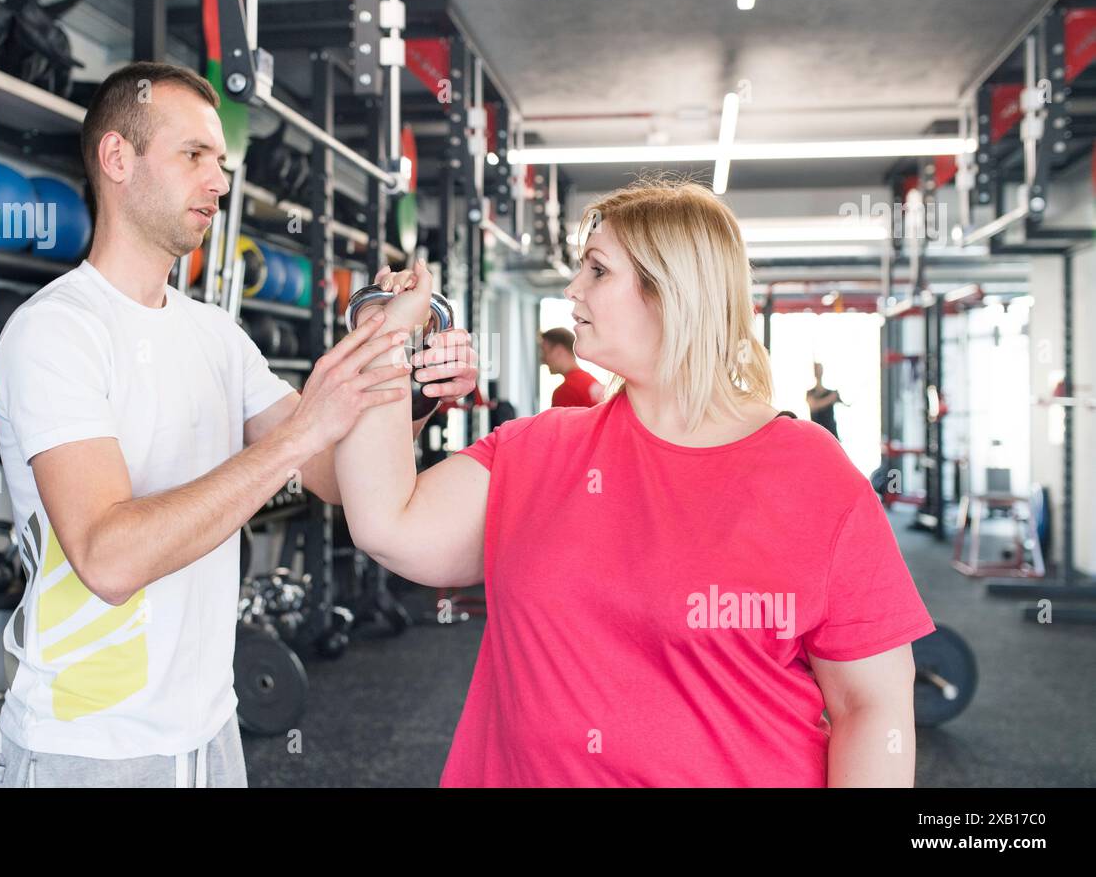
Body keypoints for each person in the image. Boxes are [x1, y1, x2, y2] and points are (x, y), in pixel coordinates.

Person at [334, 177, 934, 787]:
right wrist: (384, 336)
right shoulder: (538, 450)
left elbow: (872, 706)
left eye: (597, 270)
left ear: (671, 291)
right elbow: (387, 523)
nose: (573, 289)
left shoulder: (811, 474)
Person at [0, 61, 478, 788]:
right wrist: (303, 431)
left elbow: (331, 476)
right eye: (194, 156)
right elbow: (108, 559)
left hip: (211, 728)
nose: (219, 181)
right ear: (117, 158)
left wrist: (405, 373)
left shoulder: (216, 335)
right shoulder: (56, 332)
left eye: (221, 161)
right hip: (93, 746)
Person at [540, 326, 604, 407]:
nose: (543, 360)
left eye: (545, 352)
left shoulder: (566, 391)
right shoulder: (591, 382)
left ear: (559, 351)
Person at [806, 362, 845, 439]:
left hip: (832, 433)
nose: (818, 371)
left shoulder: (831, 392)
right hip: (817, 434)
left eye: (819, 369)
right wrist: (831, 398)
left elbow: (847, 404)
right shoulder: (810, 393)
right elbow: (814, 405)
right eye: (816, 369)